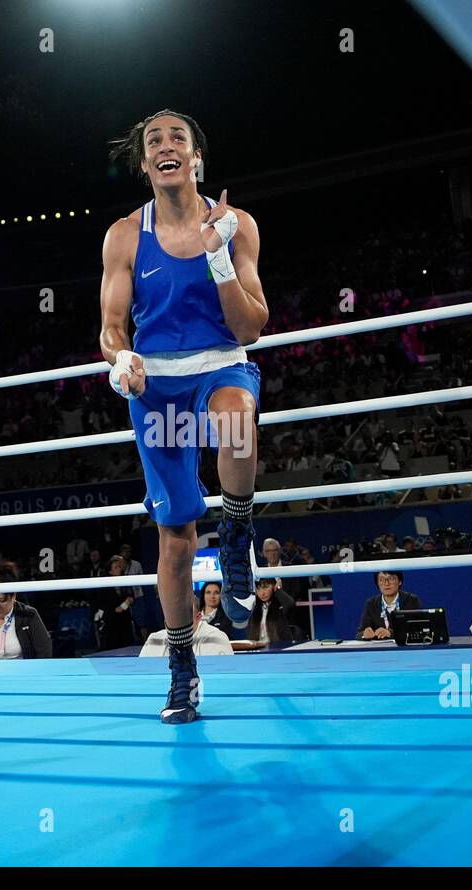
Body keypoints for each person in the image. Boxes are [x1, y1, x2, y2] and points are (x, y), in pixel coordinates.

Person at [102, 109, 270, 723]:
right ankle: (181, 669)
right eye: (154, 140)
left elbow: (250, 326)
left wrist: (218, 255)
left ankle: (238, 530)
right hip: (156, 388)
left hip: (219, 365)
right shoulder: (124, 234)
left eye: (178, 138)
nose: (166, 146)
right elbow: (112, 326)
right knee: (174, 540)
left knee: (237, 417)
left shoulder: (236, 224)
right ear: (145, 163)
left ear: (196, 157)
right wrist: (122, 360)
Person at [140, 592, 234, 657]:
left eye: (183, 615)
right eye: (171, 614)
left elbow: (221, 678)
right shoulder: (154, 639)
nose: (176, 620)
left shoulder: (216, 638)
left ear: (198, 618)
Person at [356, 571, 422, 640]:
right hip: (381, 649)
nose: (386, 583)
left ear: (400, 582)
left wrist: (391, 633)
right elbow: (359, 634)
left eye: (391, 579)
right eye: (381, 580)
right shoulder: (371, 604)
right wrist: (364, 634)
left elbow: (418, 630)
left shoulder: (412, 601)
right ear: (377, 583)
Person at [234, 579, 296, 651]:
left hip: (279, 650)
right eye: (258, 588)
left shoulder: (279, 605)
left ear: (273, 586)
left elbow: (290, 604)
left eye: (265, 587)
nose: (262, 593)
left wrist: (277, 589)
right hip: (257, 651)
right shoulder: (254, 606)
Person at [92, 555, 139, 651]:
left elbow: (131, 598)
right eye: (116, 567)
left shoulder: (125, 582)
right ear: (110, 571)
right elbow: (112, 608)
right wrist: (123, 606)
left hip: (125, 621)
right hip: (111, 623)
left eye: (119, 567)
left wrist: (126, 604)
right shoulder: (105, 587)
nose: (119, 569)